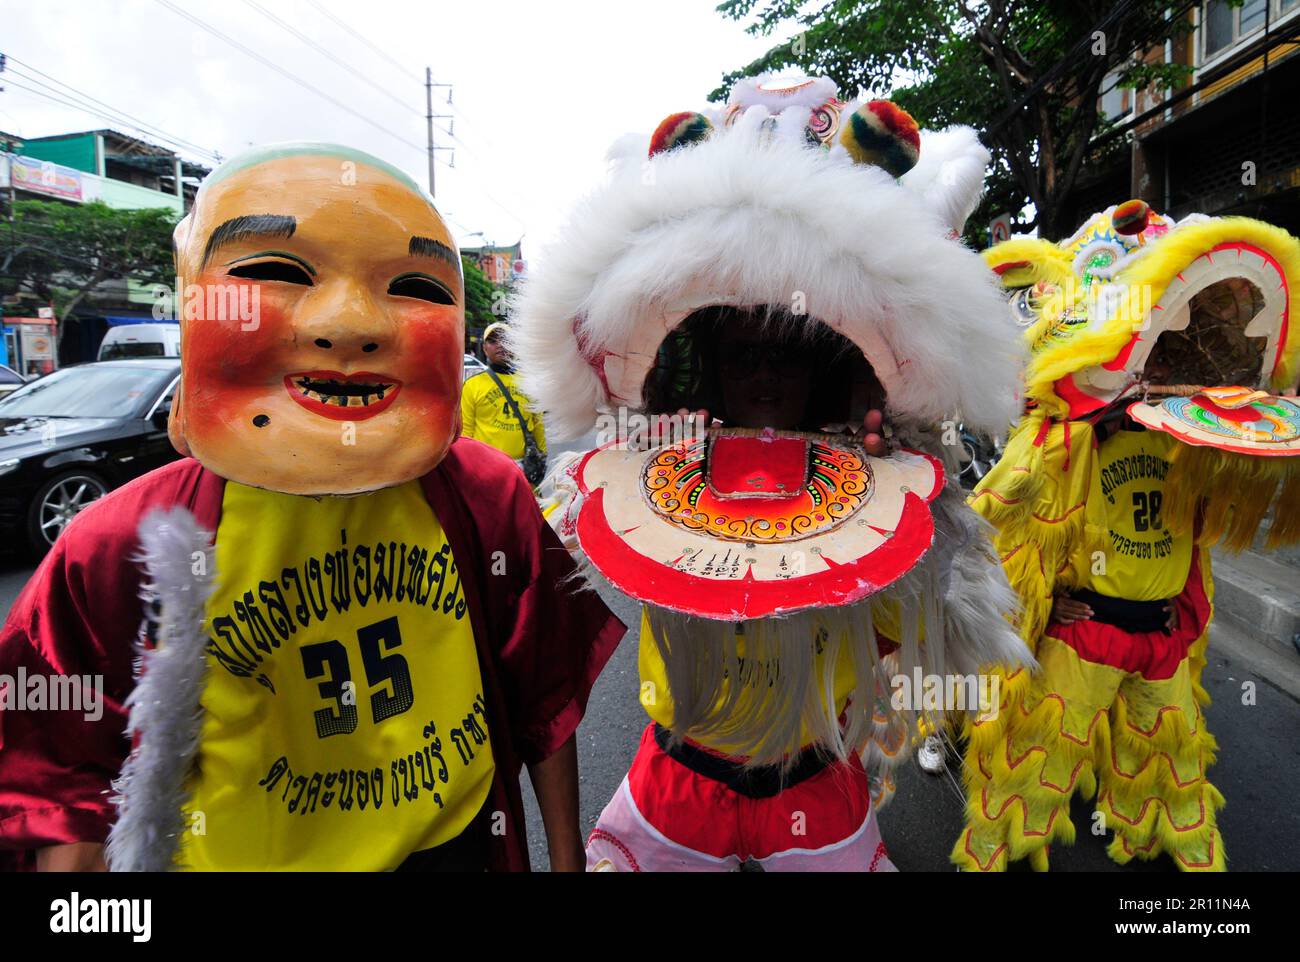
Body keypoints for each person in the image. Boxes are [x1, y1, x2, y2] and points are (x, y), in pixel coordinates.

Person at [0, 142, 624, 872]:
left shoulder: (485, 496)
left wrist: (564, 860)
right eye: (275, 272)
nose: (350, 322)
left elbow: (542, 697)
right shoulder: (114, 546)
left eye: (413, 285)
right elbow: (63, 788)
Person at [512, 75, 1034, 871]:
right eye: (742, 354)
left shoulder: (878, 472)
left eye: (783, 354)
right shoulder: (649, 461)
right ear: (713, 364)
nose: (762, 375)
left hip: (815, 785)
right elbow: (562, 536)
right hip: (676, 778)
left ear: (819, 367)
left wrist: (903, 460)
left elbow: (928, 626)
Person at [956, 200, 1300, 871]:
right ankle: (990, 853)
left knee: (1167, 770)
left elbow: (1208, 524)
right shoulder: (1061, 448)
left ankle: (1156, 849)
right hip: (1086, 634)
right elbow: (1003, 531)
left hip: (1161, 635)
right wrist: (1042, 606)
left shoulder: (1186, 450)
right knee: (1034, 772)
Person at [460, 322, 547, 481]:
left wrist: (541, 455)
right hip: (485, 467)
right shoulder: (472, 386)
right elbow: (466, 432)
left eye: (505, 340)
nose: (500, 345)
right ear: (485, 348)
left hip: (523, 468)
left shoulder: (529, 383)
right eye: (493, 341)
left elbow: (538, 423)